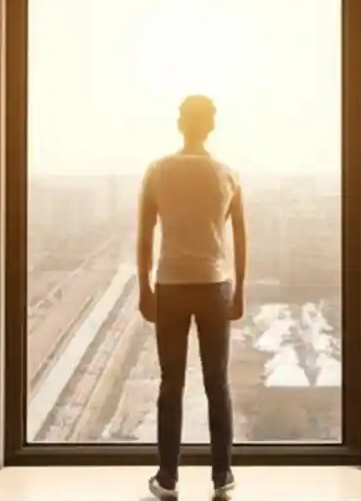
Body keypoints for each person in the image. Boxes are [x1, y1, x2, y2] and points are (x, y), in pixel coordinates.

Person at [139, 95, 246, 500]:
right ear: (211, 125)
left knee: (171, 383)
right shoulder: (227, 174)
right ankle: (222, 477)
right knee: (217, 382)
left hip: (170, 285)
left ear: (179, 123)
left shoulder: (157, 171)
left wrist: (143, 286)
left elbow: (144, 233)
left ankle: (168, 478)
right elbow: (240, 237)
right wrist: (240, 288)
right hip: (214, 285)